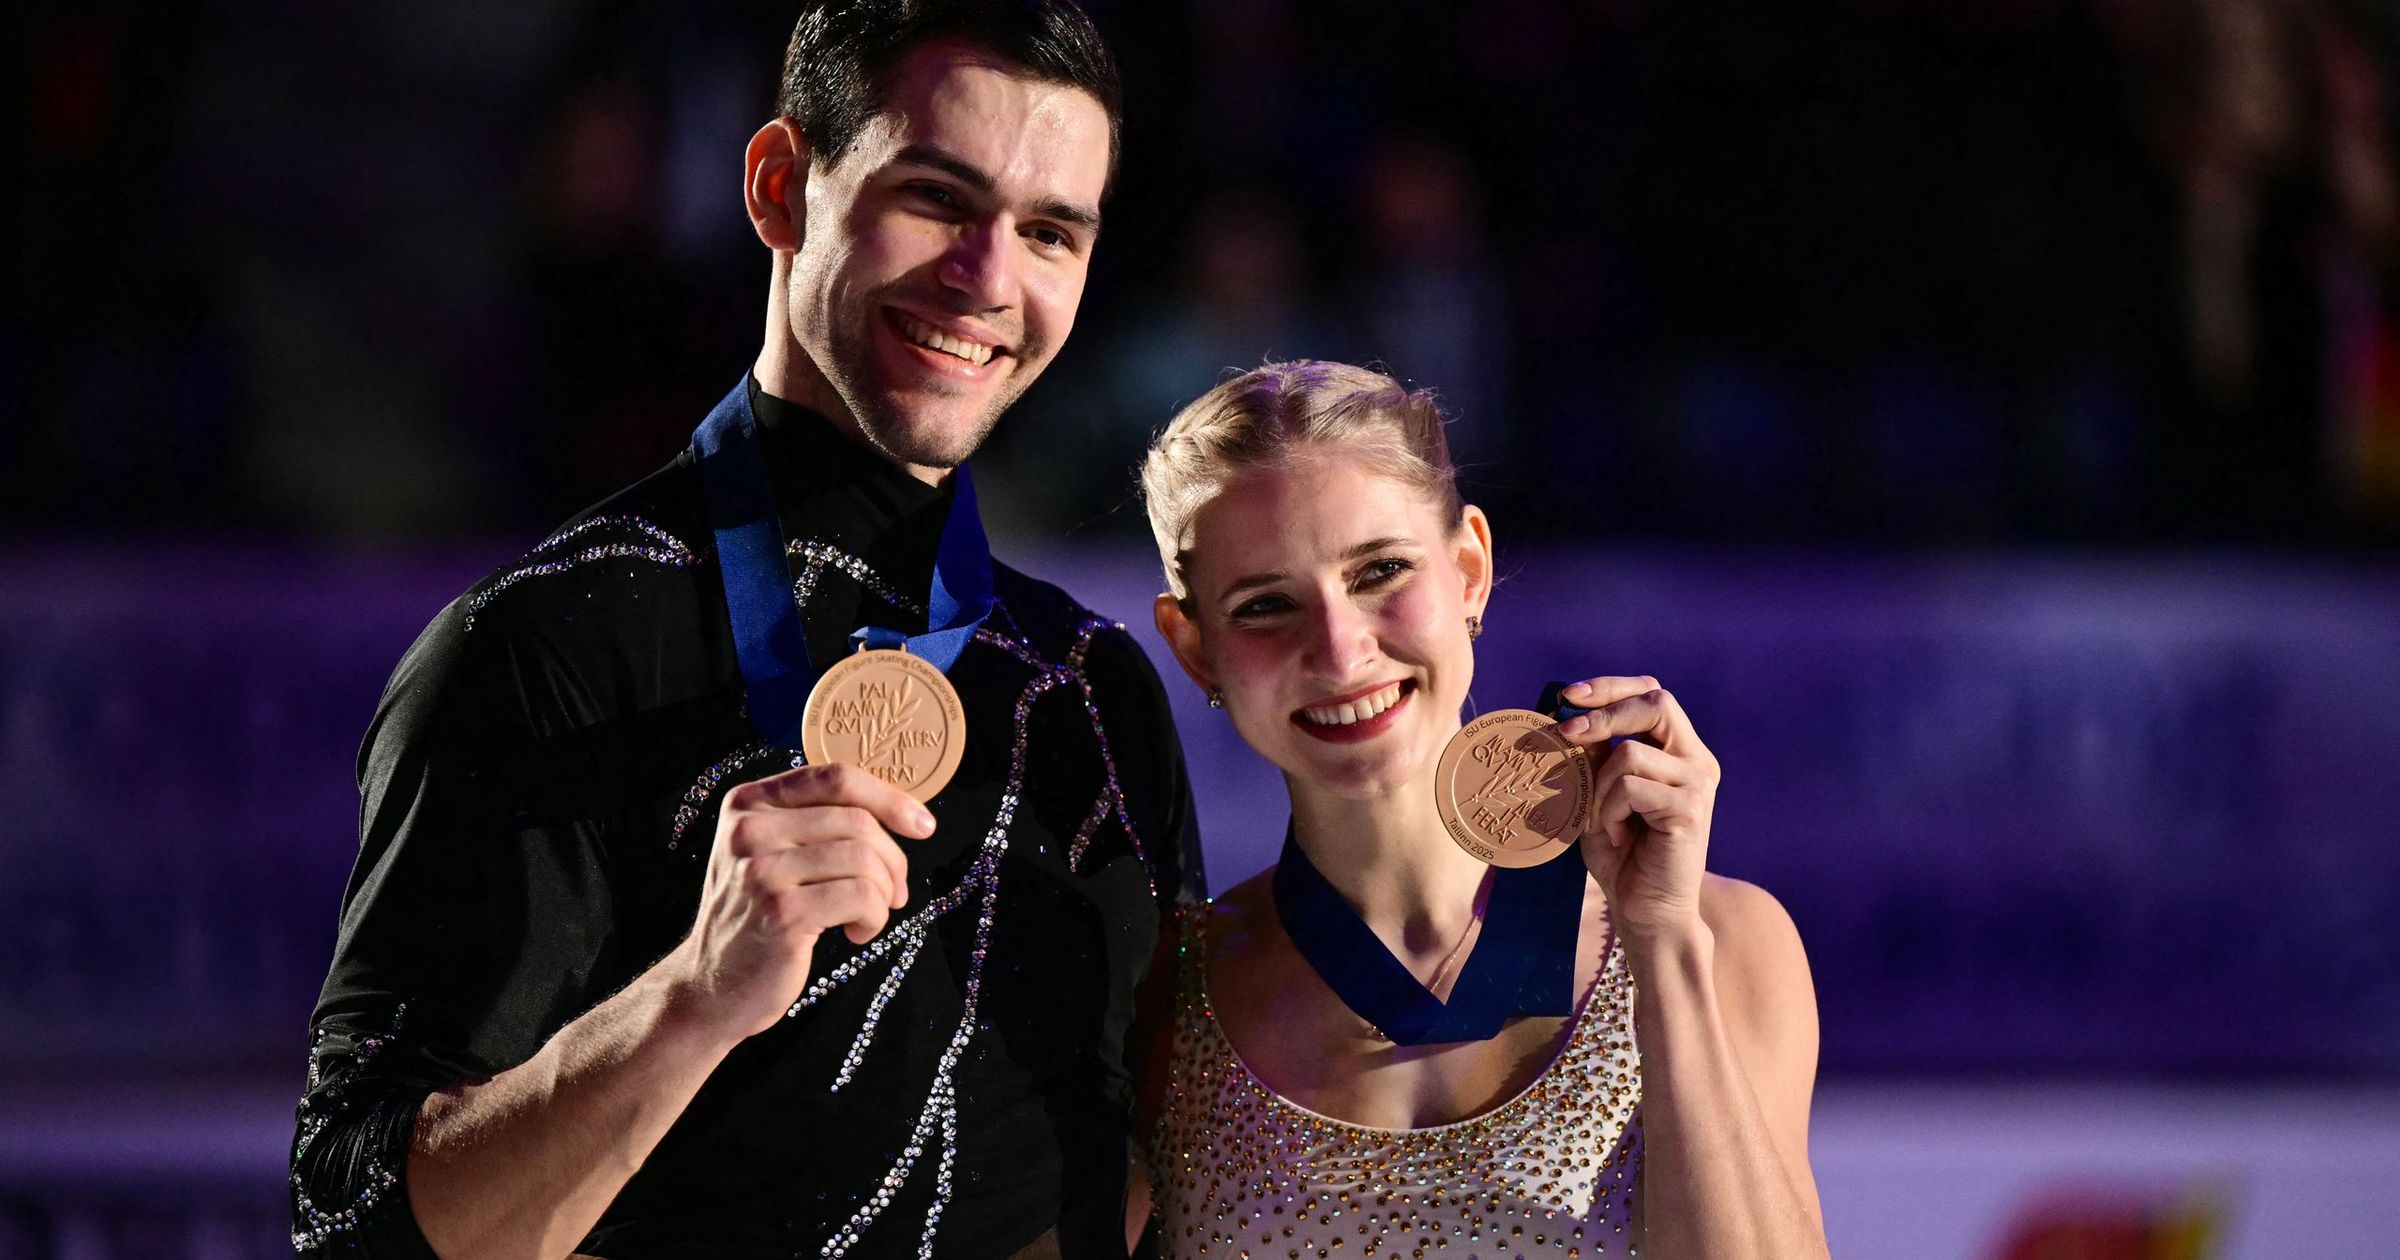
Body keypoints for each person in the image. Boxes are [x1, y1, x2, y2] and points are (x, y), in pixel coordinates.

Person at [290, 4, 1201, 1258]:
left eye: (1049, 232)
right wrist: (690, 1003)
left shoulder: (1094, 691)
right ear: (781, 186)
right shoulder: (546, 646)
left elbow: (1175, 1190)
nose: (990, 280)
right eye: (936, 199)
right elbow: (347, 1225)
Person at [1130, 361, 1828, 1259]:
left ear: (1468, 569)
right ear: (1195, 649)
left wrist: (1662, 945)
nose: (1341, 652)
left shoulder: (1724, 940)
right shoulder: (1165, 998)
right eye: (1266, 605)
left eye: (1381, 570)